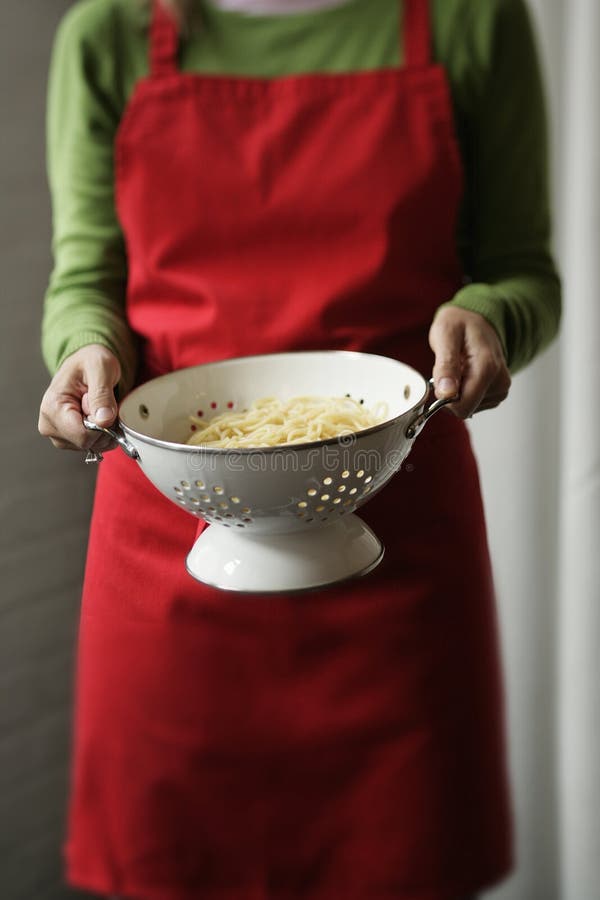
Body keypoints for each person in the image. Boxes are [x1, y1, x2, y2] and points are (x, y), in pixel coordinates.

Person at [38, 0, 560, 898]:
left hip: (396, 541)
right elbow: (87, 278)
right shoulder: (109, 33)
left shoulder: (471, 19)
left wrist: (489, 316)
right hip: (170, 552)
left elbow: (522, 269)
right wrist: (85, 351)